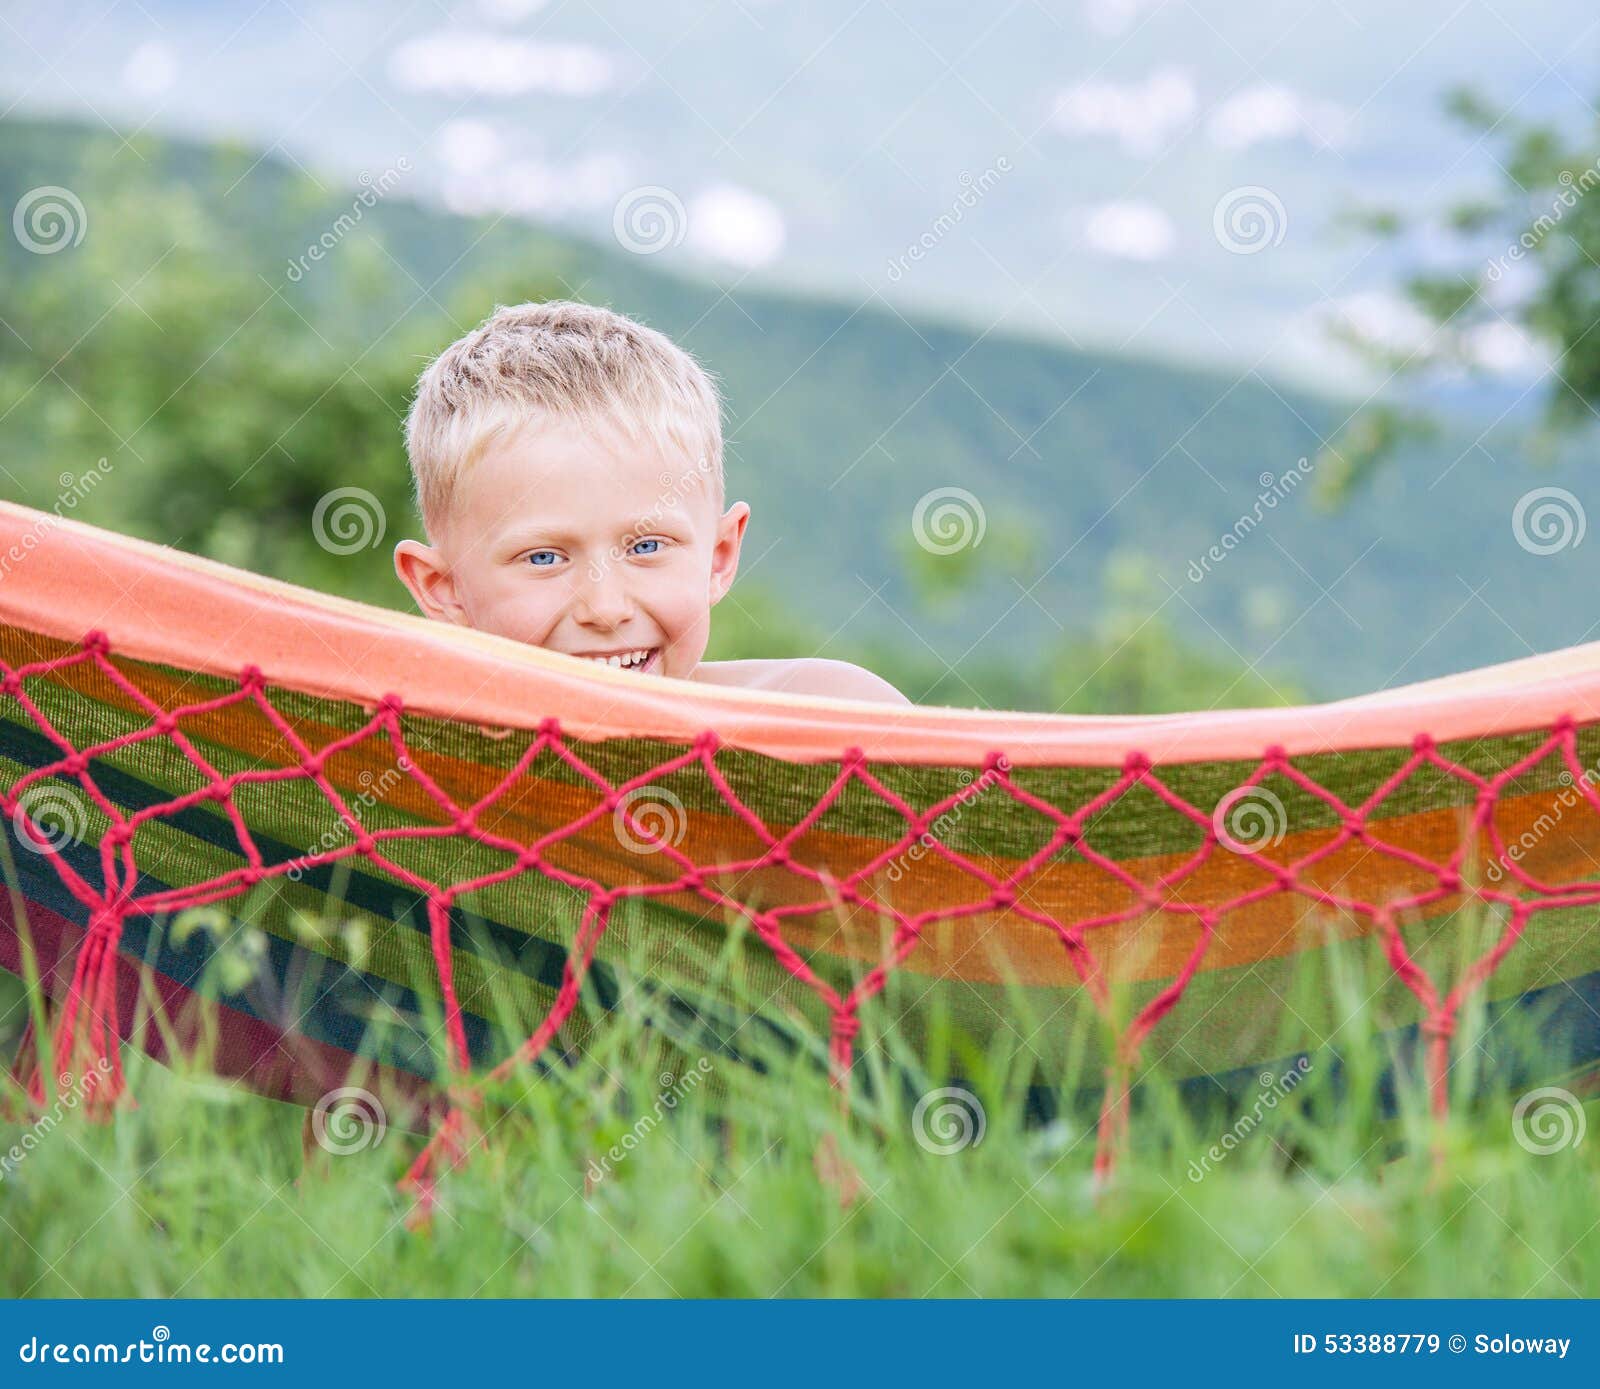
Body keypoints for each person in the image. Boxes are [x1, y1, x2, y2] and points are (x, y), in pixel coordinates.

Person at [394, 300, 909, 704]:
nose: (605, 608)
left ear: (719, 556)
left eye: (645, 547)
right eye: (543, 558)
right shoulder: (385, 765)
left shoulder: (834, 724)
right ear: (444, 589)